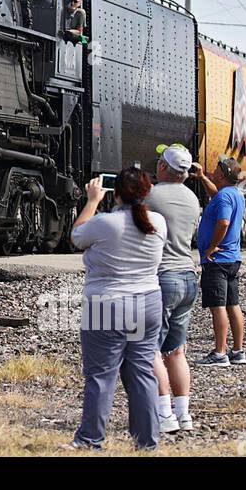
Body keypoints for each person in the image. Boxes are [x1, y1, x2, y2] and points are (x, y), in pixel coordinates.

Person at [68, 168, 166, 450]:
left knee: (100, 375)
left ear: (117, 193)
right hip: (147, 302)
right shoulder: (158, 222)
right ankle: (147, 442)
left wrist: (91, 201)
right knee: (142, 373)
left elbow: (76, 236)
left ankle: (90, 440)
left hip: (106, 303)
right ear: (147, 193)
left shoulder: (105, 222)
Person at [146, 143, 202, 433]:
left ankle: (164, 414)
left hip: (161, 276)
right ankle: (184, 415)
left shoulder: (152, 195)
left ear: (164, 167)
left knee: (150, 349)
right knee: (176, 352)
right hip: (187, 276)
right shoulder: (193, 199)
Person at [189, 156, 246, 366]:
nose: (213, 170)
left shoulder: (224, 197)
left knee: (218, 306)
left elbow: (223, 222)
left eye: (215, 169)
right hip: (232, 258)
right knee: (233, 304)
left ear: (222, 174)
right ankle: (238, 350)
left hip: (217, 260)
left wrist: (211, 246)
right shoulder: (234, 194)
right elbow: (216, 197)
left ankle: (220, 352)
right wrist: (203, 177)